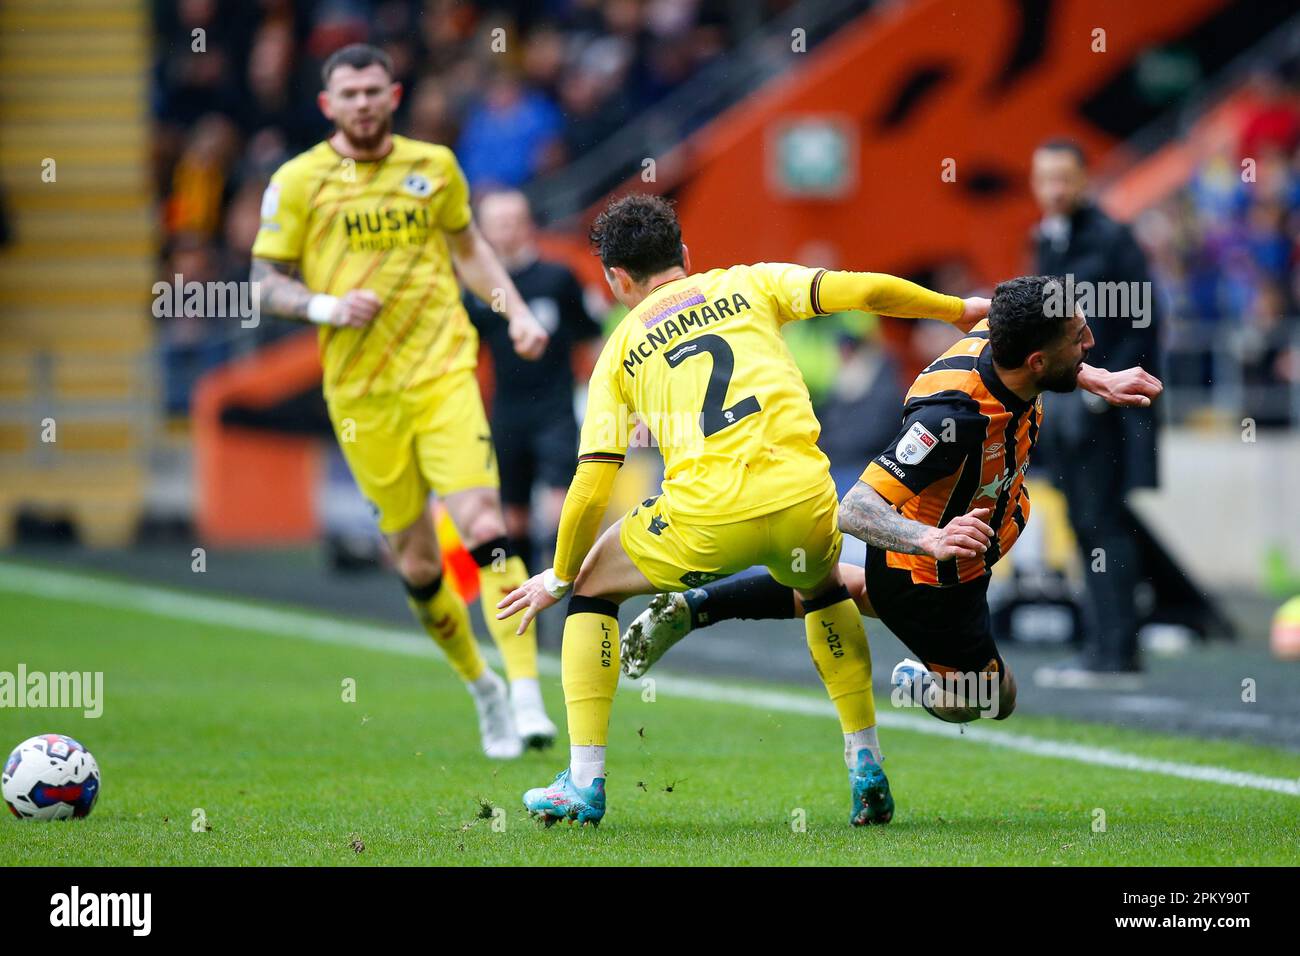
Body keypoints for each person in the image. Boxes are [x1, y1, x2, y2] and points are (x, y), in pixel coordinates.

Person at [496, 194, 991, 827]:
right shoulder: (748, 283)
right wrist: (955, 309)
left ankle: (584, 783)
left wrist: (560, 575)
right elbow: (862, 291)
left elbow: (593, 484)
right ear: (685, 256)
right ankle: (865, 763)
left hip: (708, 518)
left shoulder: (618, 352)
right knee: (820, 588)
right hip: (807, 501)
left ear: (617, 279)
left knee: (593, 587)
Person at [618, 276, 1162, 728]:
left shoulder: (1002, 337)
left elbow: (1043, 354)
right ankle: (917, 681)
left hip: (946, 562)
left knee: (851, 587)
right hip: (935, 583)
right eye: (1079, 338)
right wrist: (931, 539)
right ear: (1038, 361)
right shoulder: (951, 421)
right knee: (993, 700)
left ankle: (698, 606)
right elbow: (854, 508)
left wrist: (1095, 378)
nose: (1090, 340)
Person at [249, 44, 557, 759]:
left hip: (442, 371)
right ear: (328, 105)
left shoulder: (434, 166)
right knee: (417, 563)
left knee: (484, 520)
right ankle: (482, 686)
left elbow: (470, 248)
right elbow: (264, 282)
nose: (362, 103)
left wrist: (513, 312)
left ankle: (526, 692)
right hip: (361, 393)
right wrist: (324, 305)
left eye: (373, 90)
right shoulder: (297, 182)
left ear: (395, 94)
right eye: (348, 93)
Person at [1028, 139, 1162, 688]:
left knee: (1102, 522)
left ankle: (1115, 651)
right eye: (1046, 178)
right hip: (1071, 409)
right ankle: (1104, 646)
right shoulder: (1049, 240)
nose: (1056, 188)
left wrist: (1101, 389)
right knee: (1087, 522)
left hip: (1105, 409)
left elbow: (1145, 323)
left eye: (1065, 177)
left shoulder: (1113, 239)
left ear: (1084, 179)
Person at [463, 189, 604, 575]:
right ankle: (528, 609)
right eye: (496, 223)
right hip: (507, 411)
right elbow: (461, 352)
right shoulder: (477, 292)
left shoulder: (557, 278)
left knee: (559, 509)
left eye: (512, 221)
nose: (504, 230)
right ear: (483, 232)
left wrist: (605, 397)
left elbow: (593, 337)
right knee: (514, 517)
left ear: (527, 225)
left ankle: (569, 593)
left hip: (554, 408)